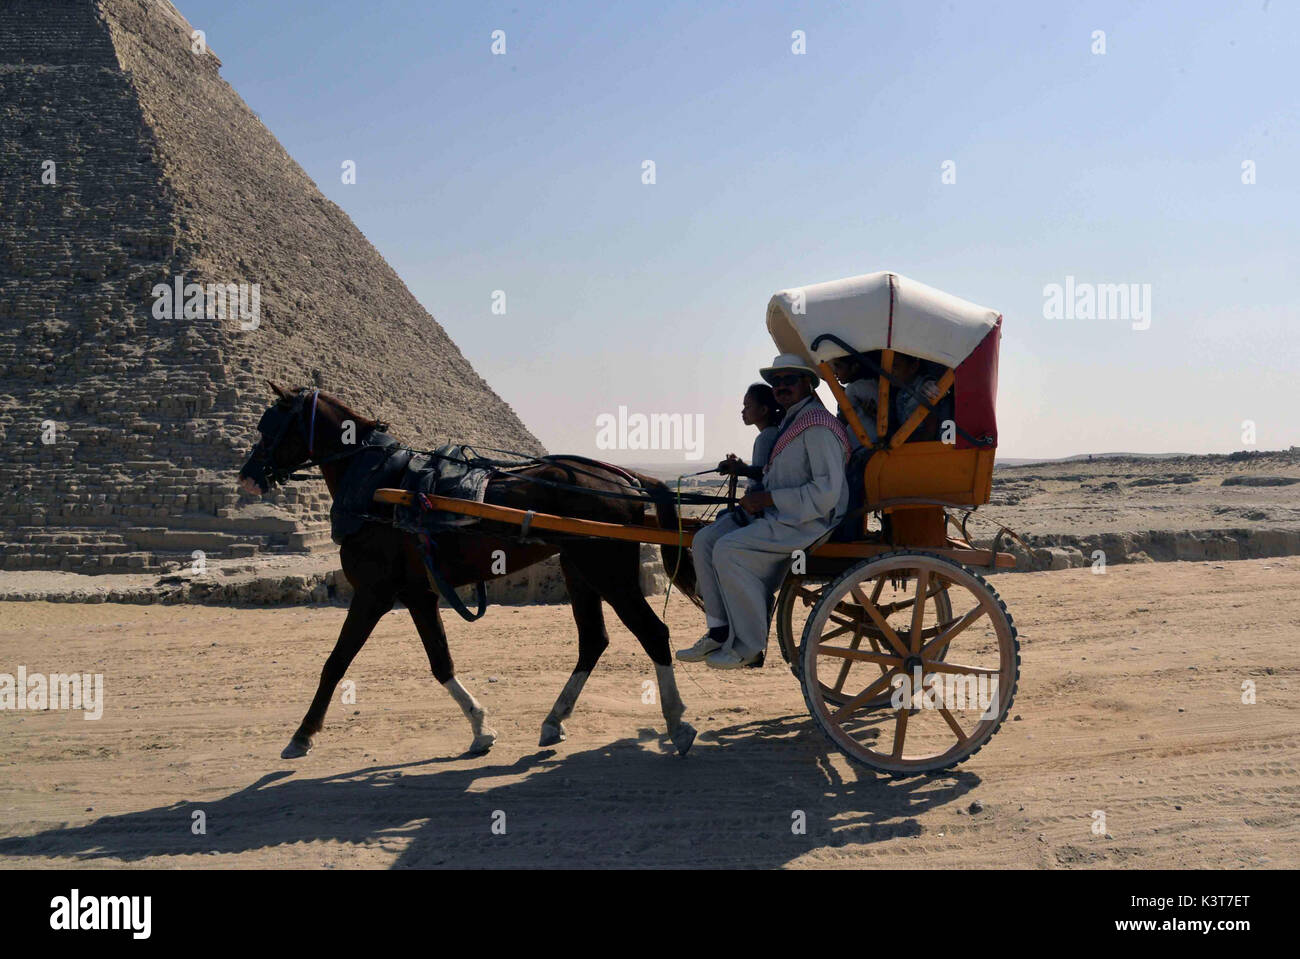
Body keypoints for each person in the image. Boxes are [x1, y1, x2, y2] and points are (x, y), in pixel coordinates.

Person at [677, 354, 850, 669]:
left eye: (789, 380)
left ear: (808, 384)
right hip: (781, 514)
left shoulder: (819, 426)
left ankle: (749, 646)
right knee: (704, 541)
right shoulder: (794, 421)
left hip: (809, 520)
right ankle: (718, 631)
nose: (781, 386)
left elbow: (826, 494)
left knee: (730, 550)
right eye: (777, 382)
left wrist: (769, 499)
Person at [716, 383, 783, 500]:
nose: (743, 411)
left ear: (763, 410)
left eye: (747, 407)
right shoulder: (772, 433)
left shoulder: (765, 438)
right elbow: (762, 469)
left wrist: (741, 469)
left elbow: (764, 476)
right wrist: (741, 466)